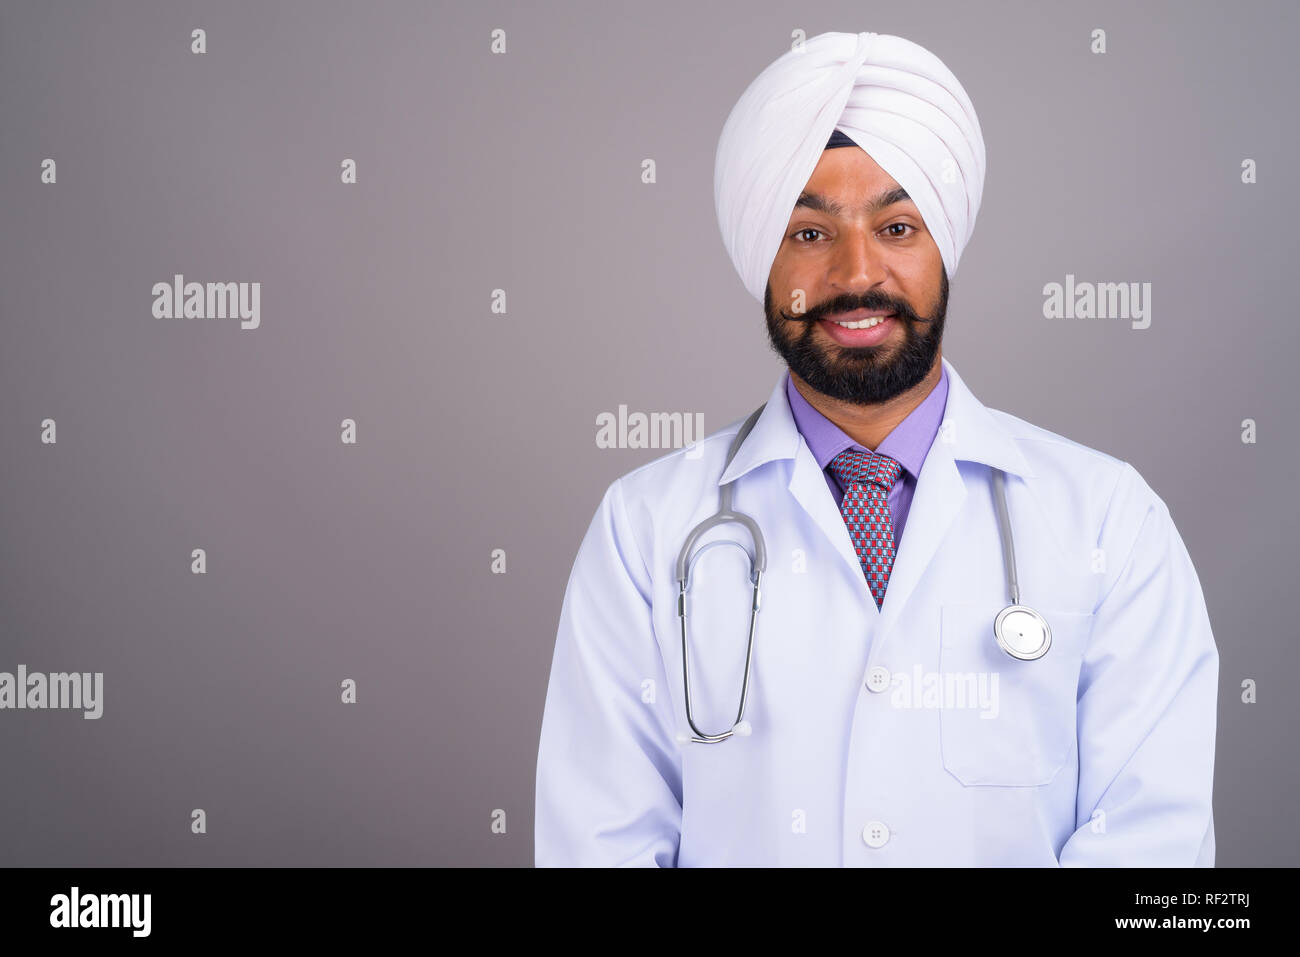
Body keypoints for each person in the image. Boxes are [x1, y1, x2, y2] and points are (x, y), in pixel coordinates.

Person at [534, 31, 1218, 866]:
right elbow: (600, 842)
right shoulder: (644, 529)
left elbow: (1155, 848)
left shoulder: (1112, 521)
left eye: (897, 225)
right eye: (811, 234)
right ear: (763, 254)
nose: (858, 273)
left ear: (943, 248)